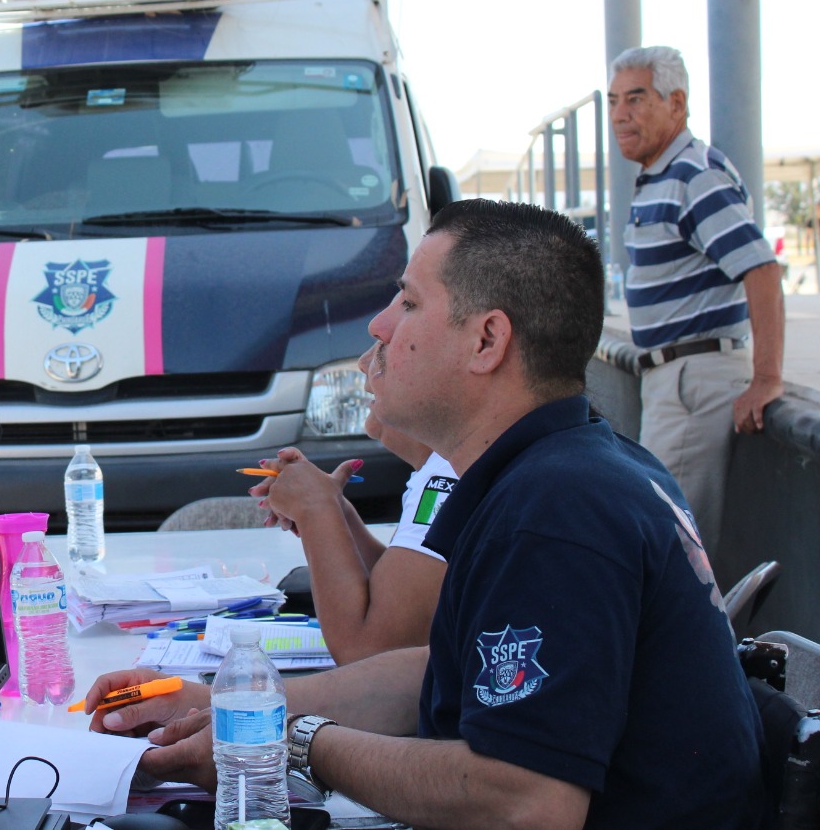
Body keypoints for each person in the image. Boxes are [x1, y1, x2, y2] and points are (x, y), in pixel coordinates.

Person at [88, 200, 765, 828]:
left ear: (487, 341)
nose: (380, 326)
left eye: (409, 302)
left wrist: (294, 742)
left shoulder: (556, 511)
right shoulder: (573, 466)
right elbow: (438, 672)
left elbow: (529, 800)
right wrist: (237, 707)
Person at [610, 45, 785, 561]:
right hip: (673, 379)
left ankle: (690, 645)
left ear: (677, 104)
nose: (621, 114)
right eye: (616, 101)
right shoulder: (663, 176)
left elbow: (760, 267)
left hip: (692, 381)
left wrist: (767, 377)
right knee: (665, 543)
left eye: (636, 99)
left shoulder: (692, 175)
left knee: (670, 552)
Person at [248, 397, 456, 664]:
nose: (365, 363)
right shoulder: (440, 466)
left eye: (386, 351)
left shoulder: (447, 472)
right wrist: (333, 508)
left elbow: (372, 657)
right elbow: (405, 590)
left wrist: (316, 507)